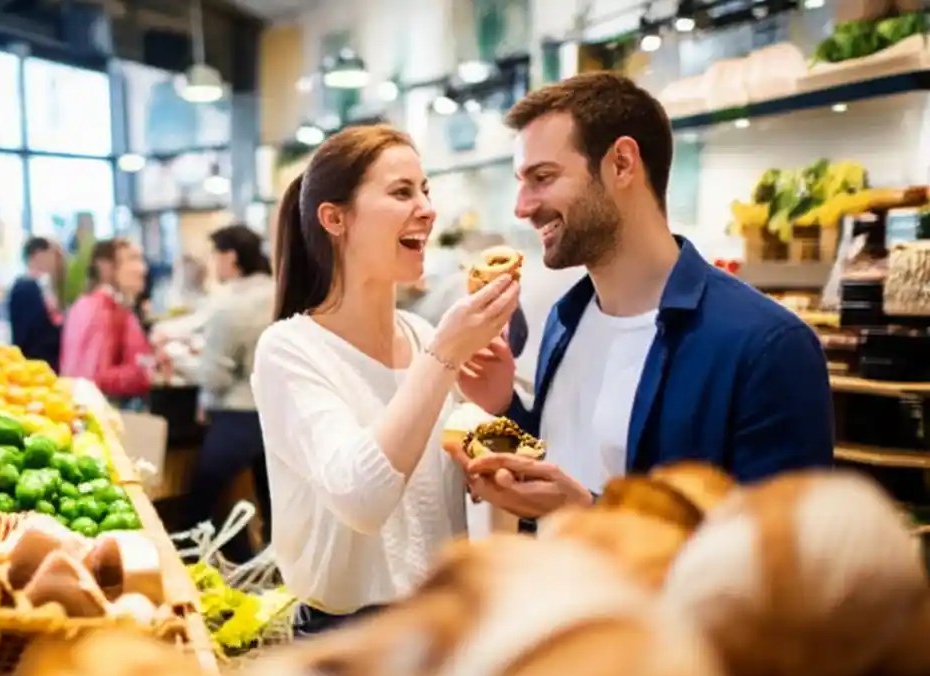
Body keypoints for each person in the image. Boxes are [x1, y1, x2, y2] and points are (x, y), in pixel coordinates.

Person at [457, 72, 833, 519]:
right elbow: (573, 458)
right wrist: (506, 408)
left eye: (542, 177)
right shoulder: (566, 318)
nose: (521, 207)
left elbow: (780, 556)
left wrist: (587, 514)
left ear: (622, 164)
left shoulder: (766, 346)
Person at [251, 125, 518, 634]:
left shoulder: (422, 335)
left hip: (445, 623)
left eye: (425, 190)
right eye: (401, 192)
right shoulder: (290, 349)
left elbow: (481, 490)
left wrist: (496, 405)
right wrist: (443, 358)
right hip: (348, 642)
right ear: (334, 218)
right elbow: (362, 498)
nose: (426, 208)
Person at [178, 225, 275, 560]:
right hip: (279, 414)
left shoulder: (230, 305)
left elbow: (214, 377)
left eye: (215, 255)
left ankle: (196, 570)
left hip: (238, 415)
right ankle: (275, 574)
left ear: (230, 256)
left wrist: (178, 359)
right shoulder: (282, 291)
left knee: (200, 499)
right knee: (274, 502)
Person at [60, 239, 154, 405]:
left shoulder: (99, 305)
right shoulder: (103, 310)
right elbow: (91, 377)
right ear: (106, 267)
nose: (142, 269)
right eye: (133, 259)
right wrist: (143, 370)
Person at [9, 237, 64, 371]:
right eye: (50, 255)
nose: (54, 261)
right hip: (37, 363)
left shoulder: (40, 285)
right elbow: (29, 331)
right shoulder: (25, 288)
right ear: (37, 255)